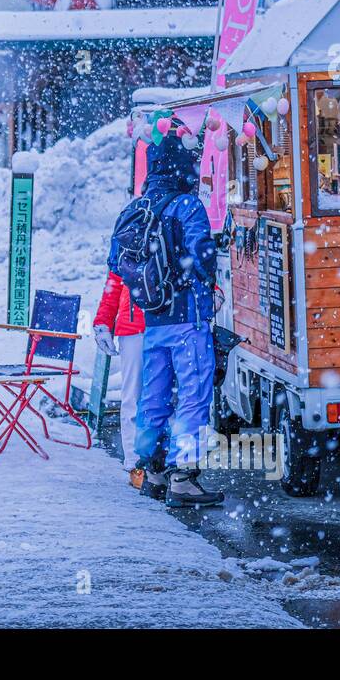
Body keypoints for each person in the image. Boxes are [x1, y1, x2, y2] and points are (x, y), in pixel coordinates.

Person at [109, 131, 223, 508]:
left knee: (153, 396)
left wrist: (152, 283)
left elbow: (115, 263)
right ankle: (183, 476)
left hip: (151, 319)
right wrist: (201, 271)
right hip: (187, 316)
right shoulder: (187, 205)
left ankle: (153, 470)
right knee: (193, 394)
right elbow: (202, 257)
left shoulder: (136, 208)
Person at [92, 272, 147, 490]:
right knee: (134, 395)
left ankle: (167, 463)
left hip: (171, 323)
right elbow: (114, 281)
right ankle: (136, 464)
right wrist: (103, 322)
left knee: (165, 399)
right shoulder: (124, 238)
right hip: (134, 326)